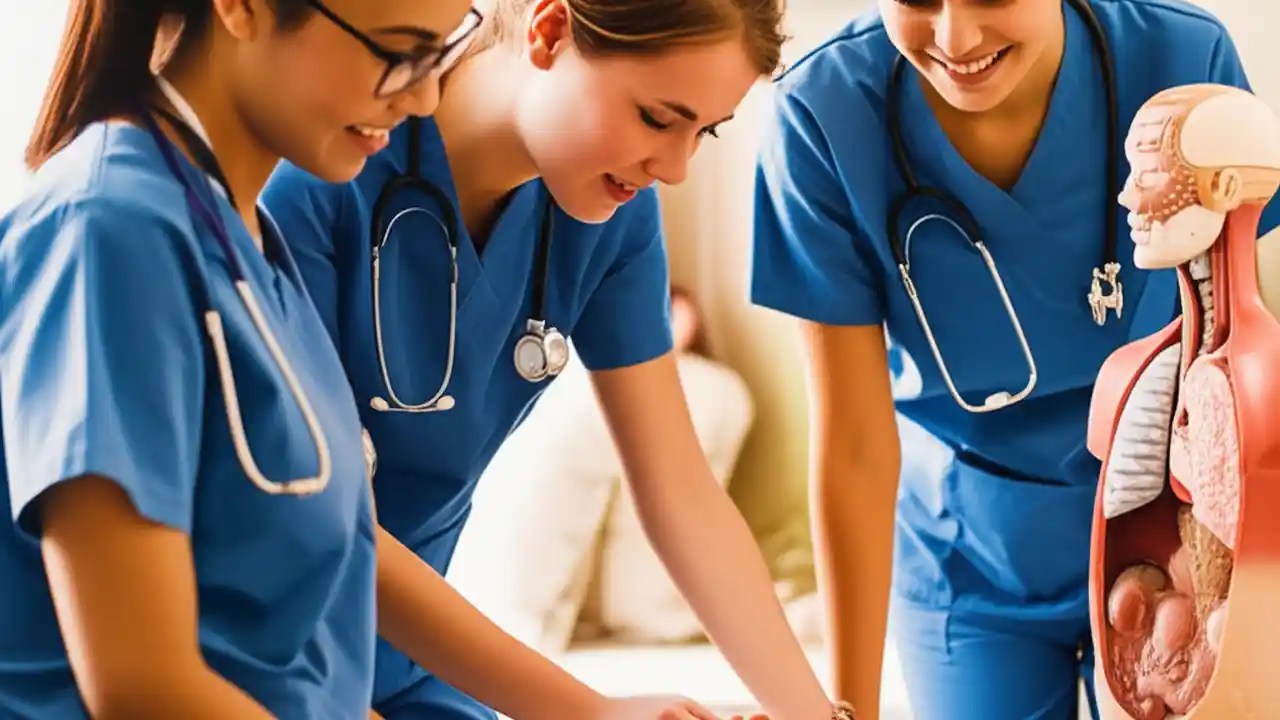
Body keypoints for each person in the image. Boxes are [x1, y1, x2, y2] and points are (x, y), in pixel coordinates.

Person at [261, 0, 851, 719]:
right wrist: (589, 711)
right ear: (549, 32)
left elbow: (679, 491)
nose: (674, 169)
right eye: (658, 119)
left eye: (704, 131)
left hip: (401, 664)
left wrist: (816, 714)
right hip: (259, 652)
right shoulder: (323, 170)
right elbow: (321, 521)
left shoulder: (611, 216)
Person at [750, 0, 1280, 718]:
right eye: (915, 0)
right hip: (966, 563)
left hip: (1175, 537)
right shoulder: (823, 111)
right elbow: (853, 447)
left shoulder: (1185, 60)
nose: (955, 37)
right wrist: (847, 708)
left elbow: (1234, 337)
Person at [0, 0, 472, 718]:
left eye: (441, 54)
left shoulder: (249, 238)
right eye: (395, 52)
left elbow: (289, 667)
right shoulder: (107, 233)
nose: (422, 97)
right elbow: (143, 688)